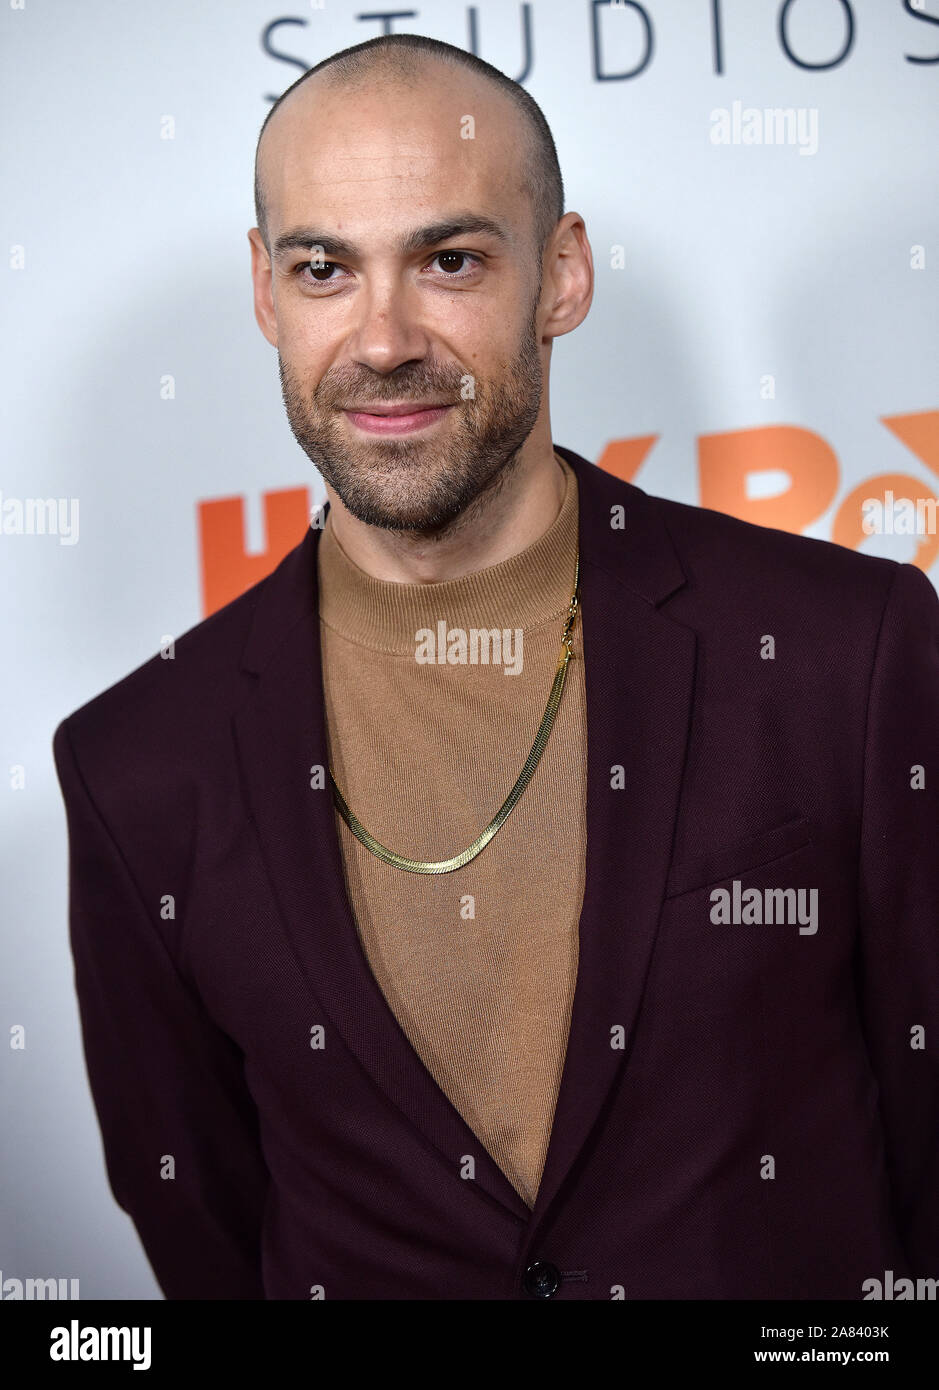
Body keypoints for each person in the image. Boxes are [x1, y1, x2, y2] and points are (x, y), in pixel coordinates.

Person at [53, 33, 938, 1300]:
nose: (384, 339)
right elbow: (206, 1221)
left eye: (450, 259)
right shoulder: (137, 765)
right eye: (324, 268)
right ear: (263, 292)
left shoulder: (842, 652)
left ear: (562, 274)